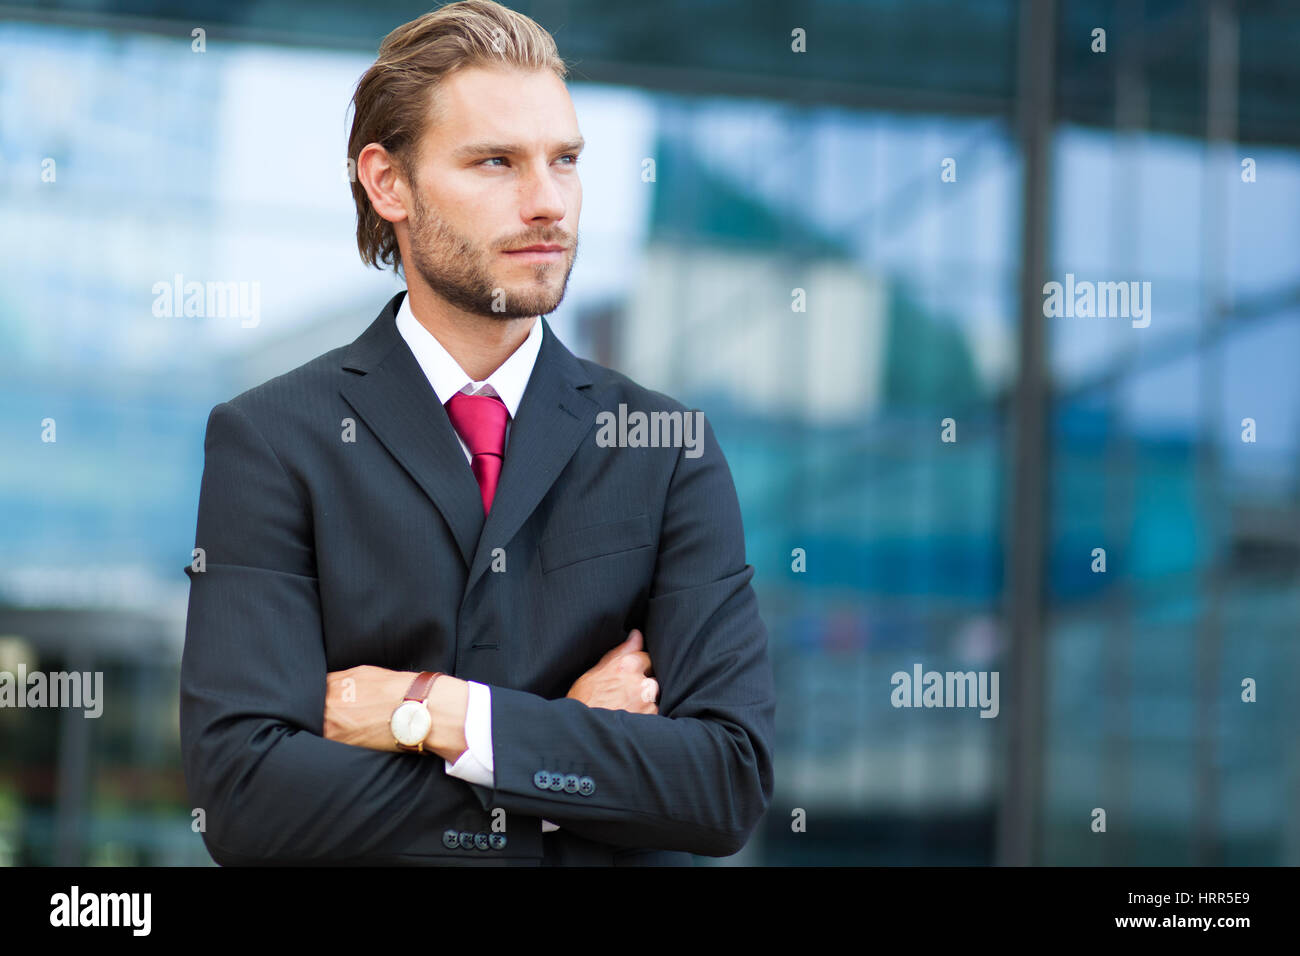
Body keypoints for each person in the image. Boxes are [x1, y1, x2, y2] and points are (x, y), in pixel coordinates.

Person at [179, 0, 775, 866]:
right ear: (389, 183)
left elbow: (724, 784)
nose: (547, 204)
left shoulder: (666, 447)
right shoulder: (272, 441)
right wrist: (569, 745)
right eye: (496, 161)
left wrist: (436, 714)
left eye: (564, 161)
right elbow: (247, 800)